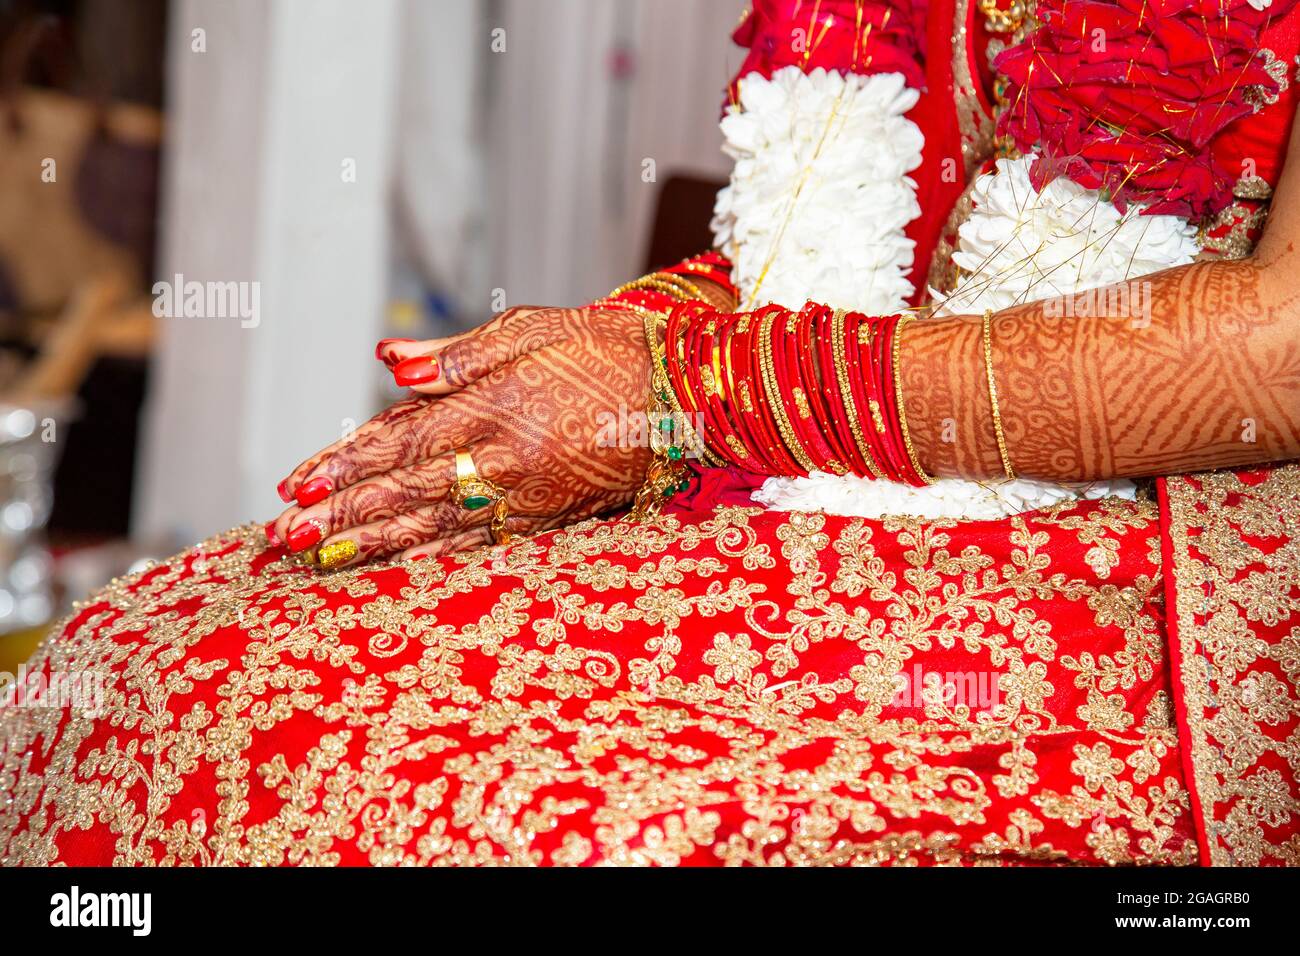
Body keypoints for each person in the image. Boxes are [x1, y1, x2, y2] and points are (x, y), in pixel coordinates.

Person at [3, 0, 1299, 866]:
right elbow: (860, 262)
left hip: (1162, 574)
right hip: (838, 450)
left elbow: (1281, 351)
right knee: (150, 655)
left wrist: (682, 387)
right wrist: (591, 362)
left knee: (371, 781)